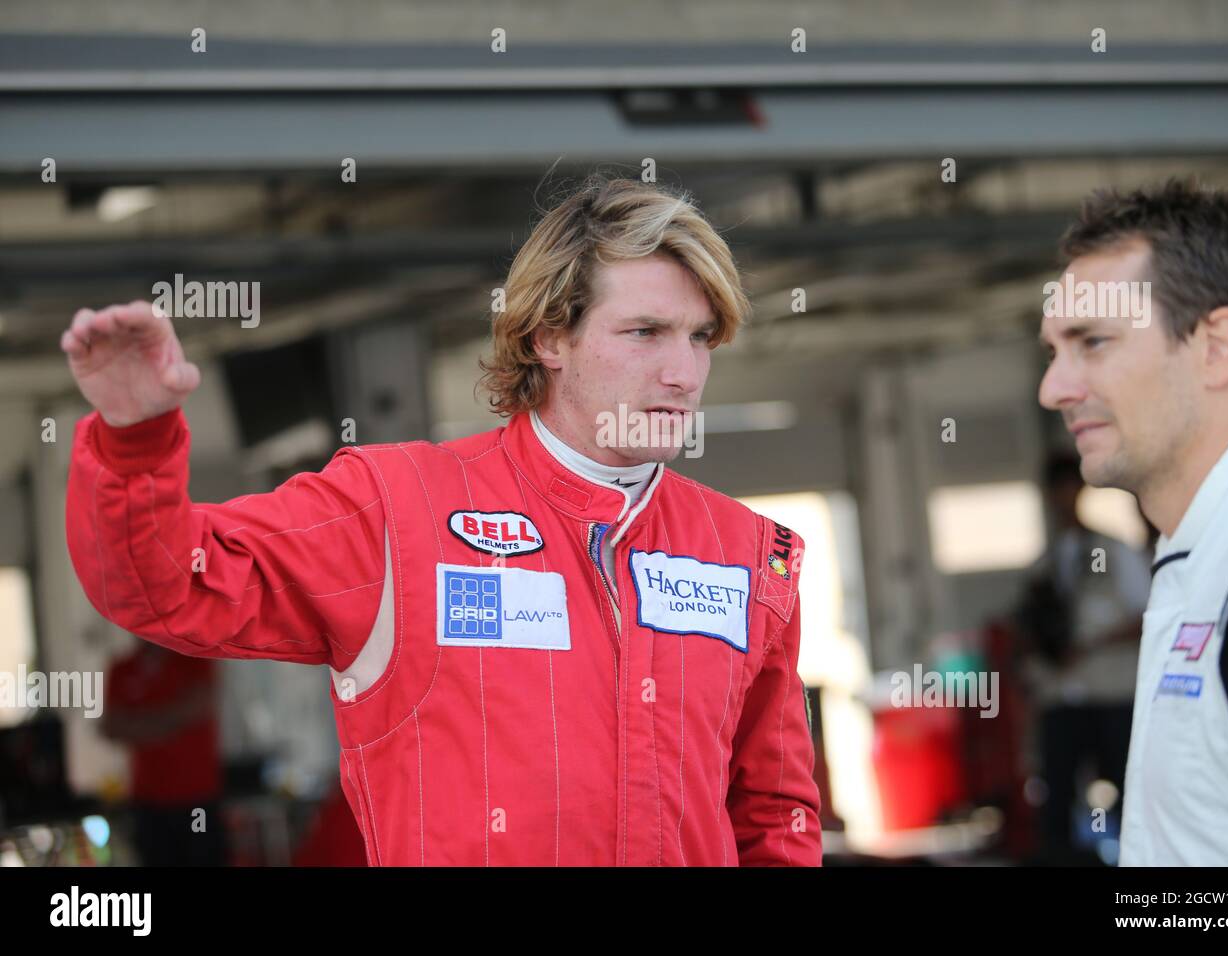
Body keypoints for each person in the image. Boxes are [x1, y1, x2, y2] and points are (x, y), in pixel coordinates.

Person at [62, 174, 822, 866]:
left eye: (700, 337)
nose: (684, 373)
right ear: (548, 337)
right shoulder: (396, 509)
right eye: (646, 332)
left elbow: (776, 814)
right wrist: (136, 441)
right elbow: (163, 585)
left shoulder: (749, 553)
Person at [1038, 179, 1228, 865]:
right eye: (1053, 352)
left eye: (1092, 342)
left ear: (1217, 347)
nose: (1053, 388)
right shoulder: (1205, 553)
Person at [1017, 451, 1149, 863]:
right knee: (1056, 795)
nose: (1062, 498)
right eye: (1055, 490)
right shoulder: (1044, 565)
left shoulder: (1114, 552)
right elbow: (1029, 631)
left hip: (1111, 695)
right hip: (1061, 696)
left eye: (1068, 488)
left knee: (1130, 794)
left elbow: (1148, 616)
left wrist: (1091, 646)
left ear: (1080, 489)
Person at [103, 640, 226, 866]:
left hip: (196, 799)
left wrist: (140, 726)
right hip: (149, 802)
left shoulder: (196, 658)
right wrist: (170, 722)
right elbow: (111, 725)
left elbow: (198, 705)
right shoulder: (123, 668)